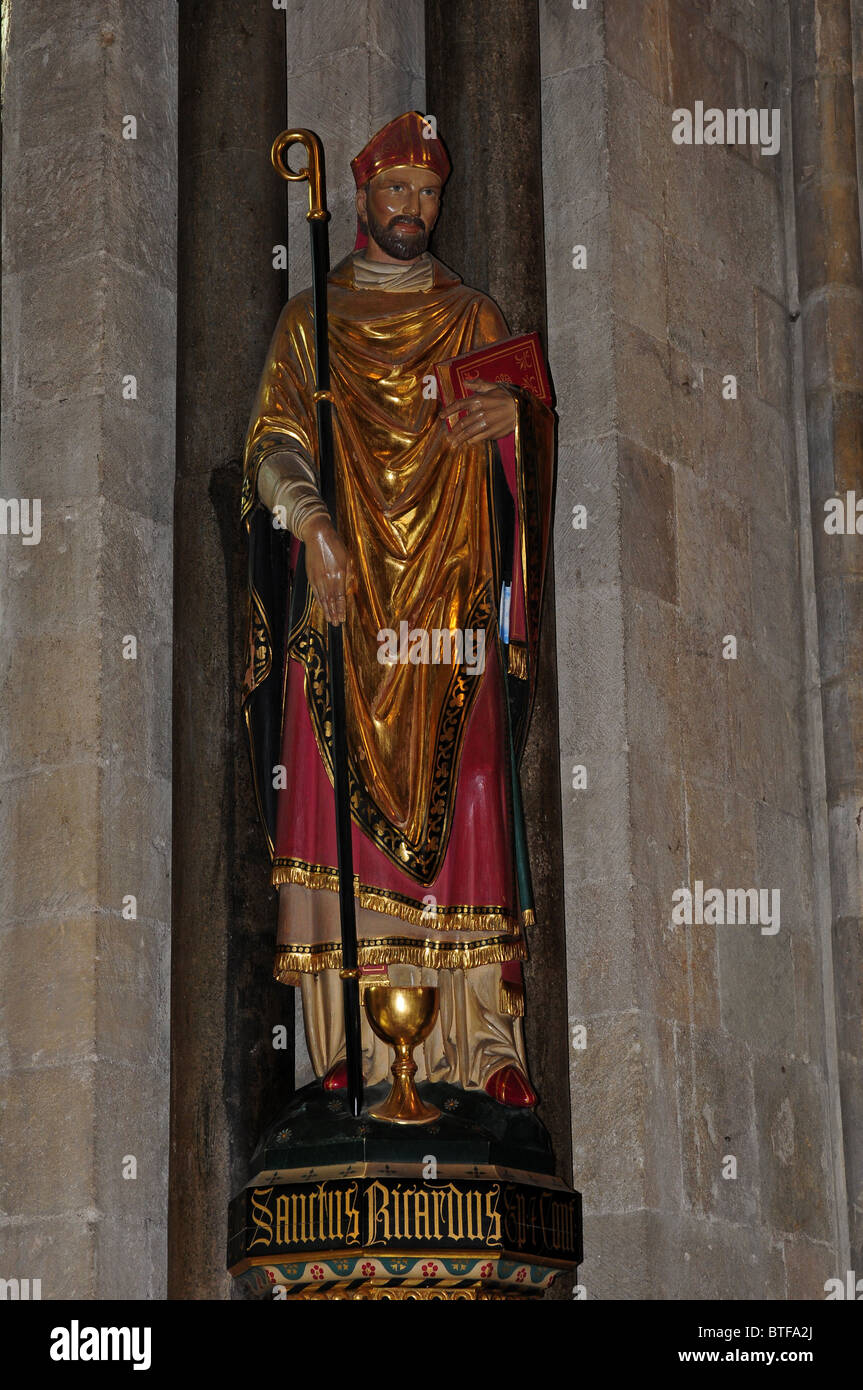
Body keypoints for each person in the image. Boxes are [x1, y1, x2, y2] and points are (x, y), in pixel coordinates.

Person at [241, 112, 554, 1106]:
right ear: (364, 196)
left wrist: (518, 429)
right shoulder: (310, 323)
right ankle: (343, 1046)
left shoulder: (474, 314)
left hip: (450, 608)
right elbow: (272, 444)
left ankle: (481, 1046)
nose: (413, 208)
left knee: (466, 804)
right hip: (345, 607)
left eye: (428, 191)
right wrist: (315, 524)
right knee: (336, 811)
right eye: (395, 190)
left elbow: (527, 447)